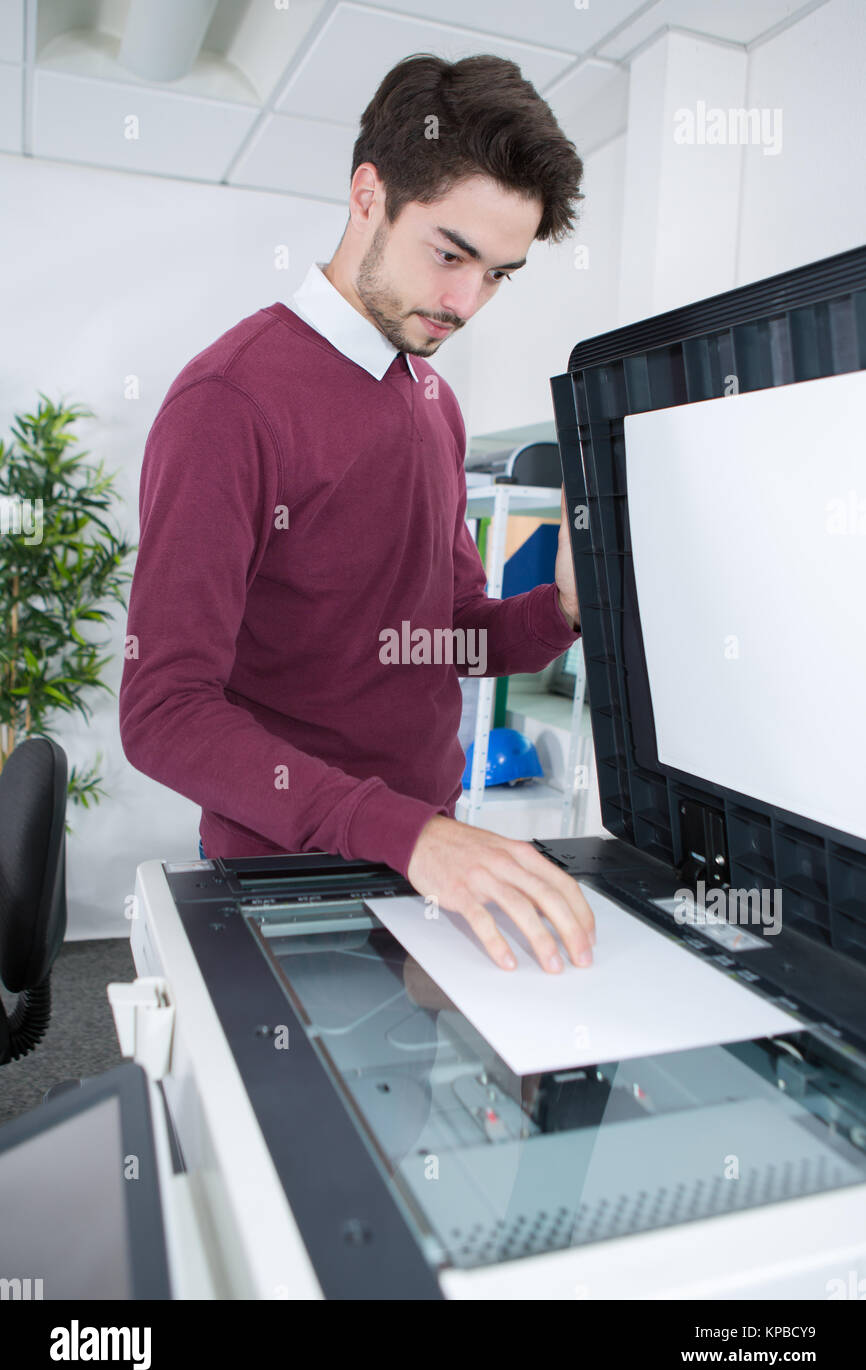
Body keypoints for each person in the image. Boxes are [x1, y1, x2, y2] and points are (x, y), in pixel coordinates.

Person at [119, 52, 595, 973]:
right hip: (283, 876)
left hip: (426, 863)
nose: (466, 302)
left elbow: (447, 637)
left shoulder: (434, 402)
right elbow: (163, 711)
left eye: (498, 274)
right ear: (368, 195)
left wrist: (564, 610)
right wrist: (407, 833)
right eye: (450, 255)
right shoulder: (229, 401)